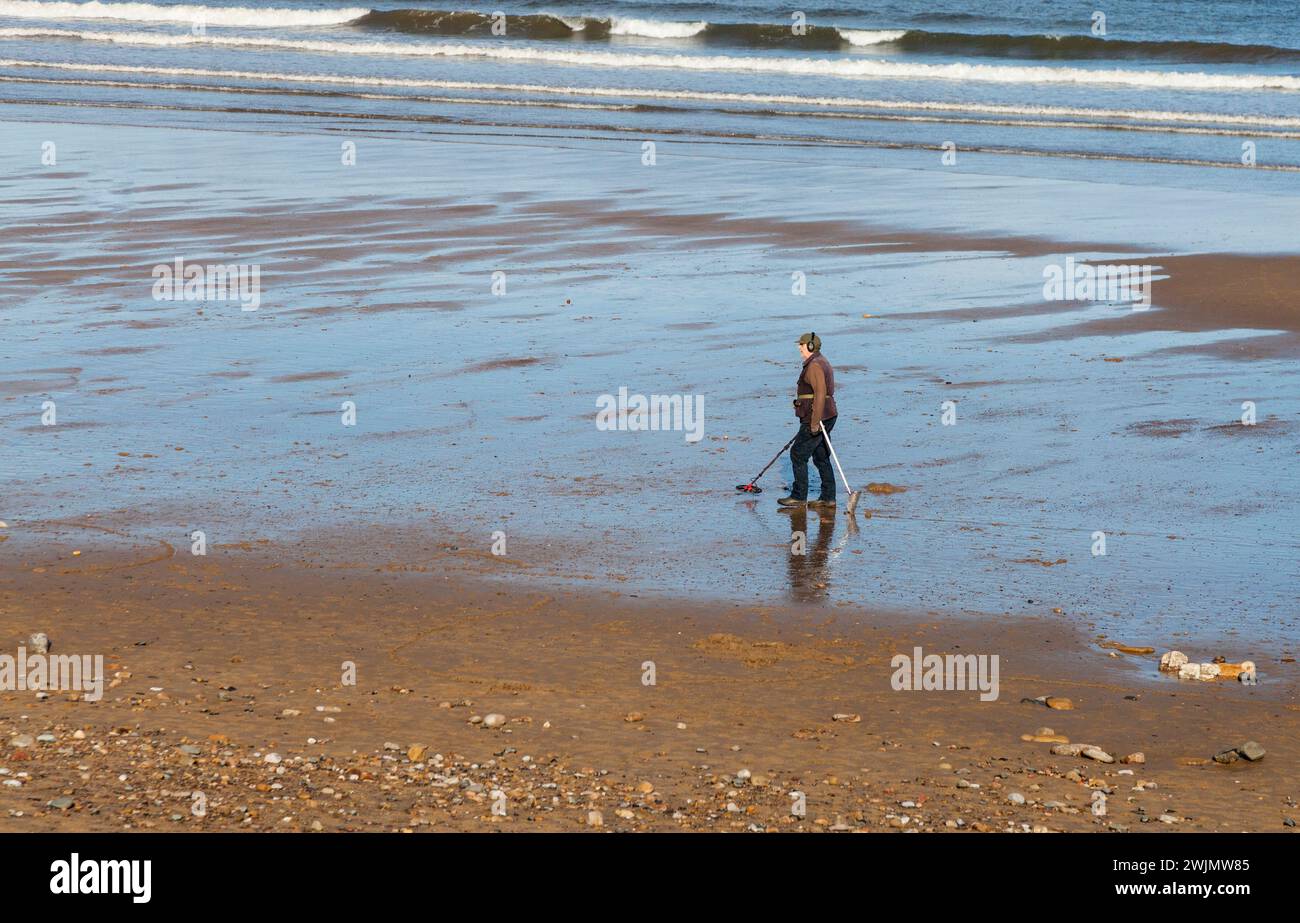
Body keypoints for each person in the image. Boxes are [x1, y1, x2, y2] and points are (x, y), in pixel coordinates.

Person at [779, 332, 838, 509]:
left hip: (817, 417)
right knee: (820, 456)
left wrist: (813, 424)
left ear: (810, 346)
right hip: (827, 415)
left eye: (802, 344)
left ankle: (798, 496)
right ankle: (828, 498)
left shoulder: (814, 366)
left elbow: (820, 394)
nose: (799, 347)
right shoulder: (822, 361)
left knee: (797, 454)